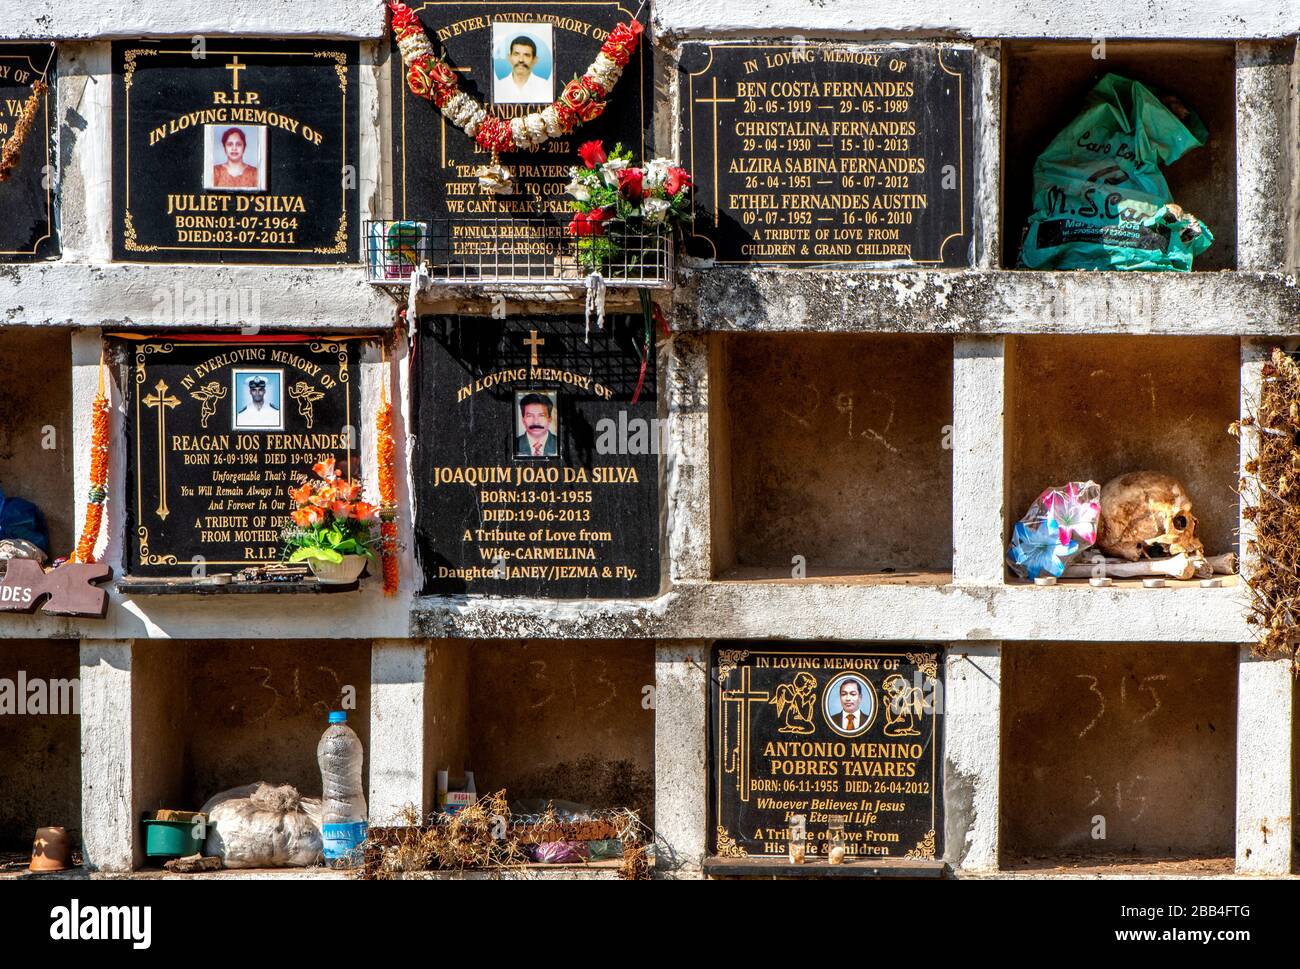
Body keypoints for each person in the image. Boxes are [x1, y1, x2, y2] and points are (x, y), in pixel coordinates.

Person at [494, 35, 552, 104]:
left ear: (535, 60)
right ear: (509, 58)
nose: (521, 60)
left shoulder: (545, 87)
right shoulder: (498, 87)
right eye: (516, 54)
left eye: (526, 55)